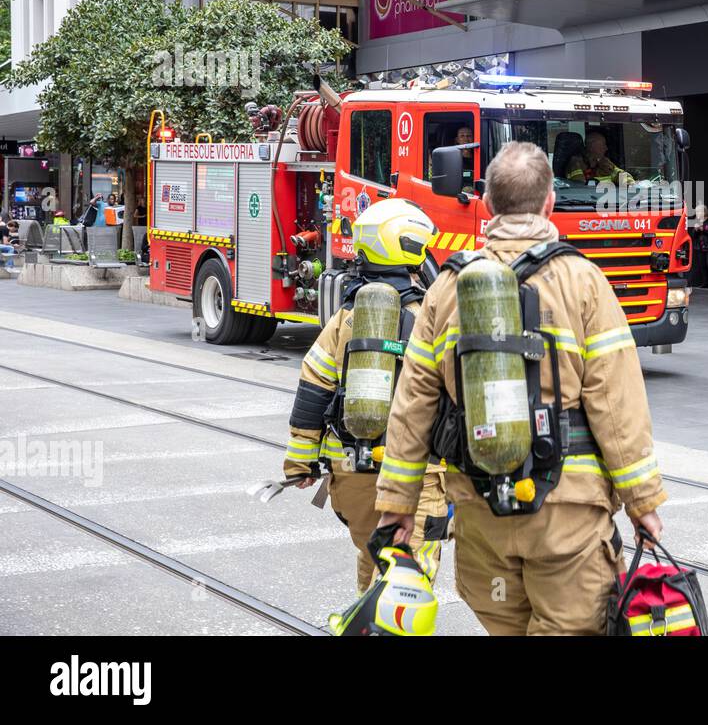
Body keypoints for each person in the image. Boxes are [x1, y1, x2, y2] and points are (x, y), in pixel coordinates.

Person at [375, 141, 665, 635]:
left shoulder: (446, 288)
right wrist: (643, 504)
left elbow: (412, 404)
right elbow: (617, 407)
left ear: (486, 204)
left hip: (480, 513)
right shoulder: (584, 281)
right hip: (567, 518)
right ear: (550, 202)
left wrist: (398, 504)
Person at [281, 198, 449, 596]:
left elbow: (313, 385)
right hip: (414, 477)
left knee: (374, 557)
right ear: (411, 248)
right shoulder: (431, 315)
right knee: (405, 584)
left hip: (351, 473)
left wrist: (299, 463)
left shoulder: (346, 318)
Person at [565, 129, 630, 185]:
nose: (606, 148)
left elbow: (624, 177)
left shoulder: (605, 162)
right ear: (592, 147)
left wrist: (630, 184)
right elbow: (579, 186)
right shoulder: (576, 163)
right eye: (603, 145)